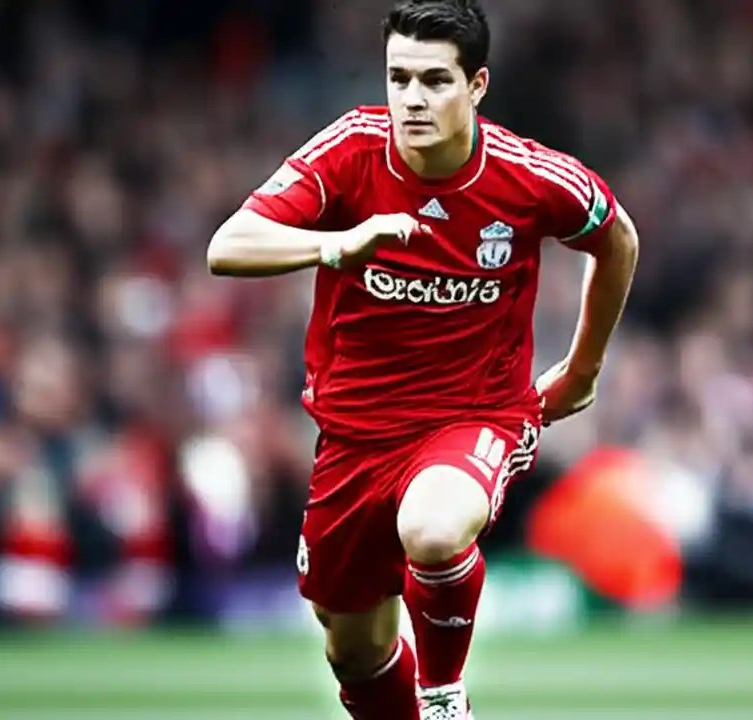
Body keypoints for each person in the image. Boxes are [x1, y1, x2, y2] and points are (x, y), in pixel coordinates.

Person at [206, 1, 639, 718]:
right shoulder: (350, 152)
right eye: (398, 78)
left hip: (475, 414)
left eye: (435, 80)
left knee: (434, 531)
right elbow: (228, 246)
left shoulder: (527, 177)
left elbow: (615, 237)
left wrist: (583, 370)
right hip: (354, 436)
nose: (411, 98)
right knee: (354, 650)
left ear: (477, 86)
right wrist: (334, 244)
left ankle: (444, 697)